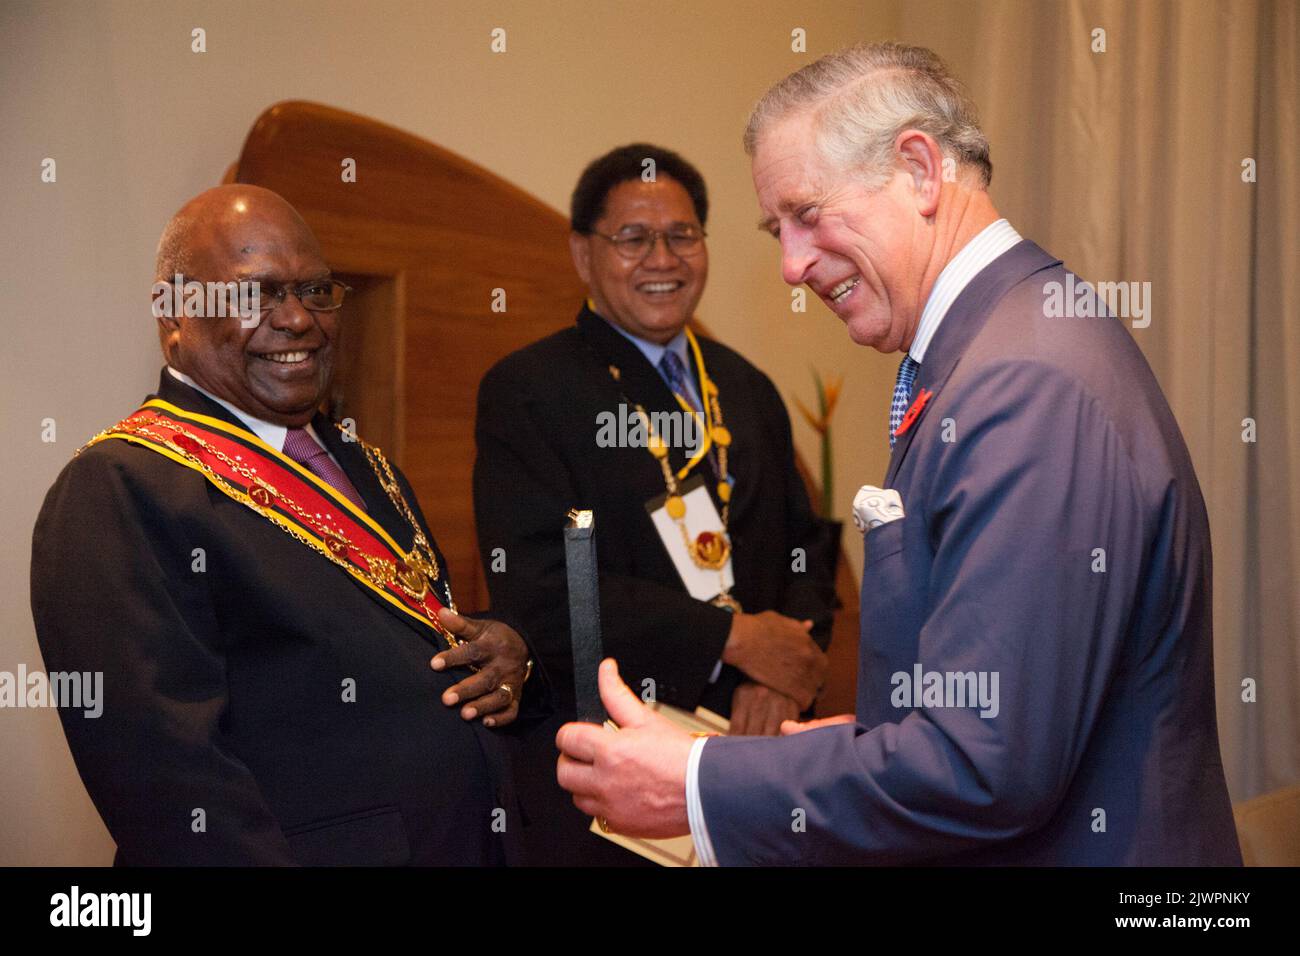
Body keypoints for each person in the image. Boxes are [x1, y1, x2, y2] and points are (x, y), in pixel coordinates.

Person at [555, 43, 1242, 865]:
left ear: (919, 170)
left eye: (808, 215)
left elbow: (984, 770)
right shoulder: (1002, 342)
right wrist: (869, 741)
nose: (792, 266)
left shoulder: (1022, 381)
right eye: (778, 231)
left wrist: (697, 781)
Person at [31, 184, 542, 865]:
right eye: (256, 294)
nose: (299, 320)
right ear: (173, 314)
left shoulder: (366, 465)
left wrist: (504, 652)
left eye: (316, 291)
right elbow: (170, 788)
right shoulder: (120, 486)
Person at [474, 144, 836, 864]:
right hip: (609, 775)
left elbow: (805, 546)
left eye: (682, 236)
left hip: (753, 757)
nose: (662, 259)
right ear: (583, 254)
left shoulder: (746, 386)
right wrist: (731, 640)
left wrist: (779, 677)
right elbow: (540, 591)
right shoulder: (530, 390)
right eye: (633, 238)